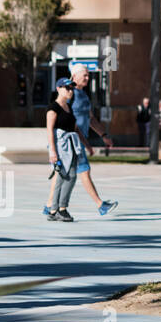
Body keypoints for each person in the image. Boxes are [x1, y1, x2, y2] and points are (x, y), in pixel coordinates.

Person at [43, 64, 116, 217]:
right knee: (83, 171)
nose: (88, 78)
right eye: (85, 75)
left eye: (88, 75)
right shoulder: (69, 94)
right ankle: (100, 204)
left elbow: (90, 119)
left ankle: (50, 206)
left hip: (77, 141)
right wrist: (54, 147)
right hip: (69, 142)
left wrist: (103, 135)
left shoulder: (83, 95)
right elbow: (58, 117)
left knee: (61, 174)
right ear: (74, 76)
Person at [45, 79, 82, 222]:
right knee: (67, 176)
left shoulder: (68, 107)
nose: (70, 91)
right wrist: (52, 152)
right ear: (58, 88)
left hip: (70, 145)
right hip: (60, 146)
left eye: (72, 88)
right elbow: (49, 131)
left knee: (65, 177)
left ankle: (55, 210)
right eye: (67, 88)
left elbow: (73, 128)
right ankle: (61, 209)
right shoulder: (53, 108)